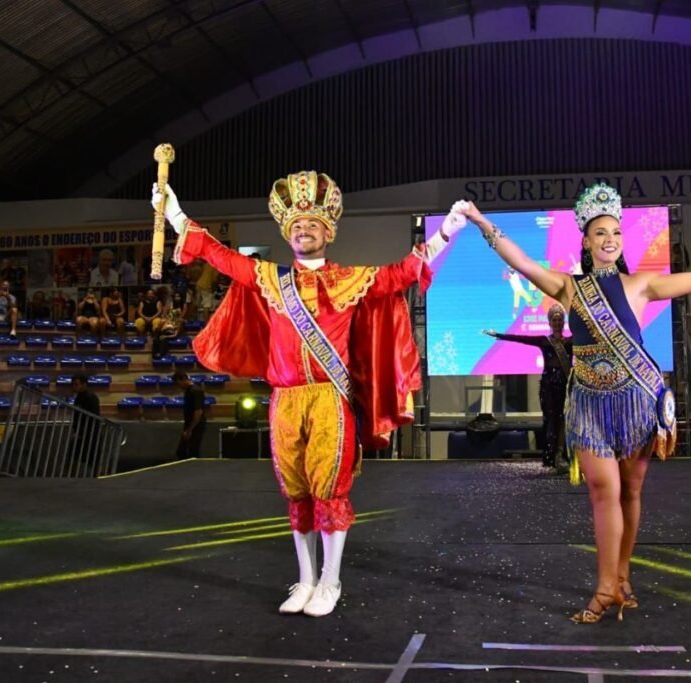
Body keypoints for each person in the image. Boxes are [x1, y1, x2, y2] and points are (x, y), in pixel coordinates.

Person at [450, 184, 691, 624]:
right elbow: (521, 261)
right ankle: (605, 588)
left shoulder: (641, 284)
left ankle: (622, 578)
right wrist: (480, 220)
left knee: (632, 492)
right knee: (605, 491)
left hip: (636, 402)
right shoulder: (568, 287)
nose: (609, 239)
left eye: (616, 233)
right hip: (588, 405)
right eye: (600, 232)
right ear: (585, 241)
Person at [152, 169, 462, 617]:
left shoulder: (351, 279)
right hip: (285, 399)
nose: (303, 230)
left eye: (312, 225)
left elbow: (401, 275)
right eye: (296, 226)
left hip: (328, 400)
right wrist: (174, 210)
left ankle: (331, 582)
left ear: (328, 232)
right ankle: (306, 579)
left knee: (328, 490)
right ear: (287, 233)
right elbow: (217, 256)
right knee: (296, 492)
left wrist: (446, 231)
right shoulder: (269, 278)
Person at [482, 303, 574, 468]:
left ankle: (565, 455)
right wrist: (499, 335)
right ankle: (550, 457)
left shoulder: (570, 342)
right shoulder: (544, 341)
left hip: (565, 386)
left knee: (566, 420)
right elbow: (521, 339)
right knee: (550, 420)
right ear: (550, 322)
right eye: (554, 320)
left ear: (563, 322)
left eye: (560, 320)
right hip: (548, 386)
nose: (557, 323)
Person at [71, 374, 101, 477]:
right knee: (76, 456)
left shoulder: (90, 398)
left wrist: (82, 431)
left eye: (76, 384)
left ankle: (94, 478)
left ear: (84, 384)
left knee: (92, 458)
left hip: (91, 433)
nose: (74, 387)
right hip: (81, 432)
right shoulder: (78, 398)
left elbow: (93, 417)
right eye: (73, 385)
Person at [173, 371, 206, 459]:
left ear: (183, 380)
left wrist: (190, 429)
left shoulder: (196, 391)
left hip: (196, 425)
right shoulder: (188, 391)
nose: (179, 386)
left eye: (178, 383)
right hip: (190, 424)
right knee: (182, 451)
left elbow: (198, 412)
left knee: (193, 450)